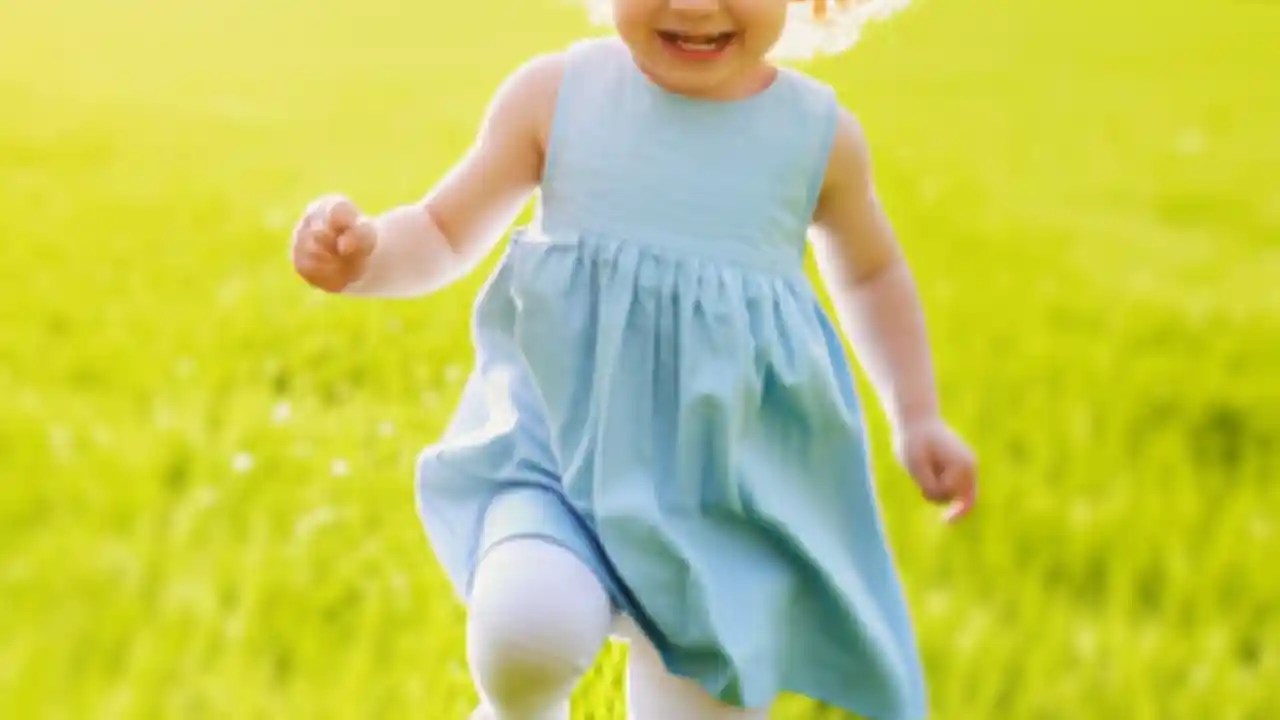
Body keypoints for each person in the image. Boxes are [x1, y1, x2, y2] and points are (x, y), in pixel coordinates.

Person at [290, 1, 977, 717]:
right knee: (528, 628)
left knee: (708, 699)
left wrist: (917, 414)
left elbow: (871, 274)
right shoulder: (557, 97)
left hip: (723, 489)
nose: (692, 5)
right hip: (557, 456)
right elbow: (440, 230)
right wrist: (367, 257)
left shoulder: (817, 139)